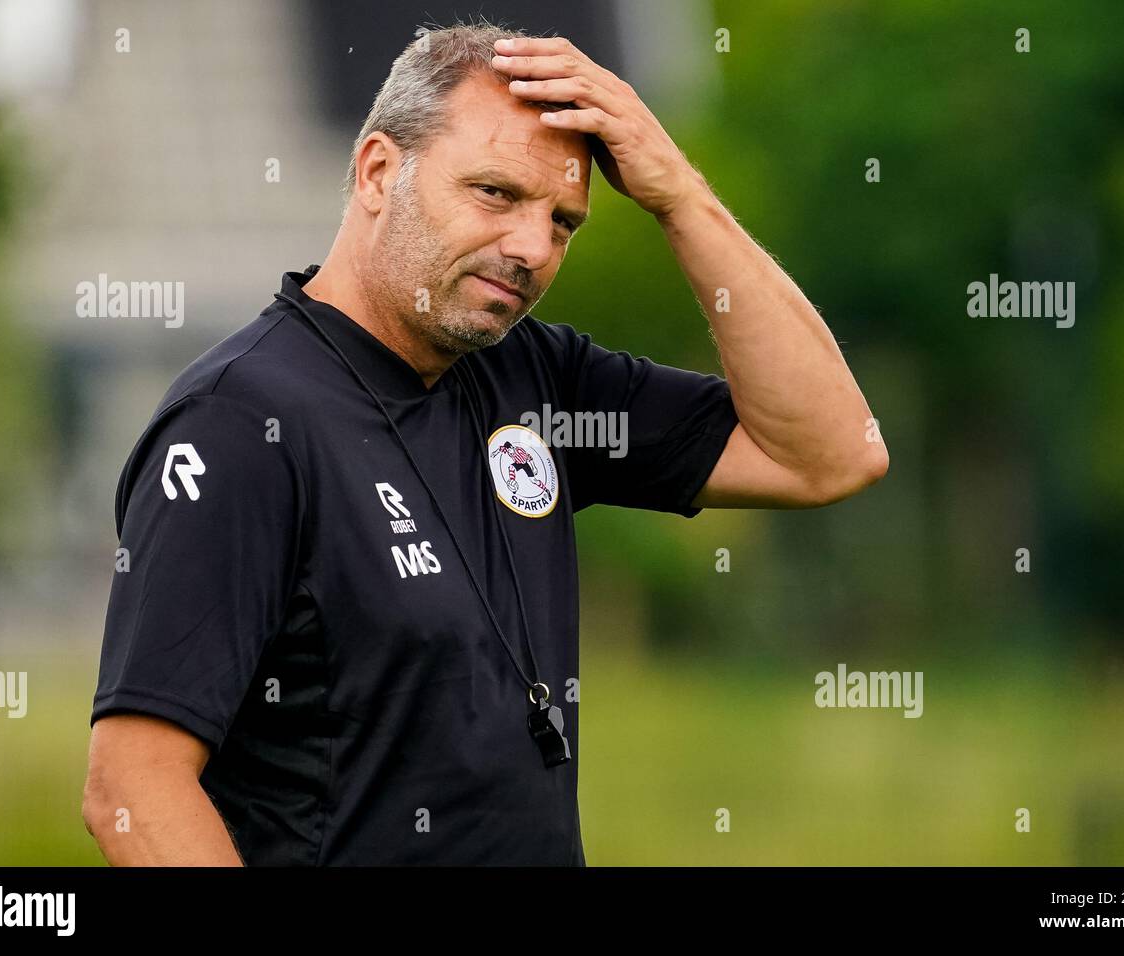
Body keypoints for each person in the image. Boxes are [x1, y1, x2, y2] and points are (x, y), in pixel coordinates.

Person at [82, 20, 888, 866]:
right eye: (496, 193)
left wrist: (681, 197)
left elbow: (831, 451)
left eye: (564, 222)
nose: (533, 248)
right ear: (378, 173)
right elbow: (134, 789)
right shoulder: (240, 421)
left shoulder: (534, 376)